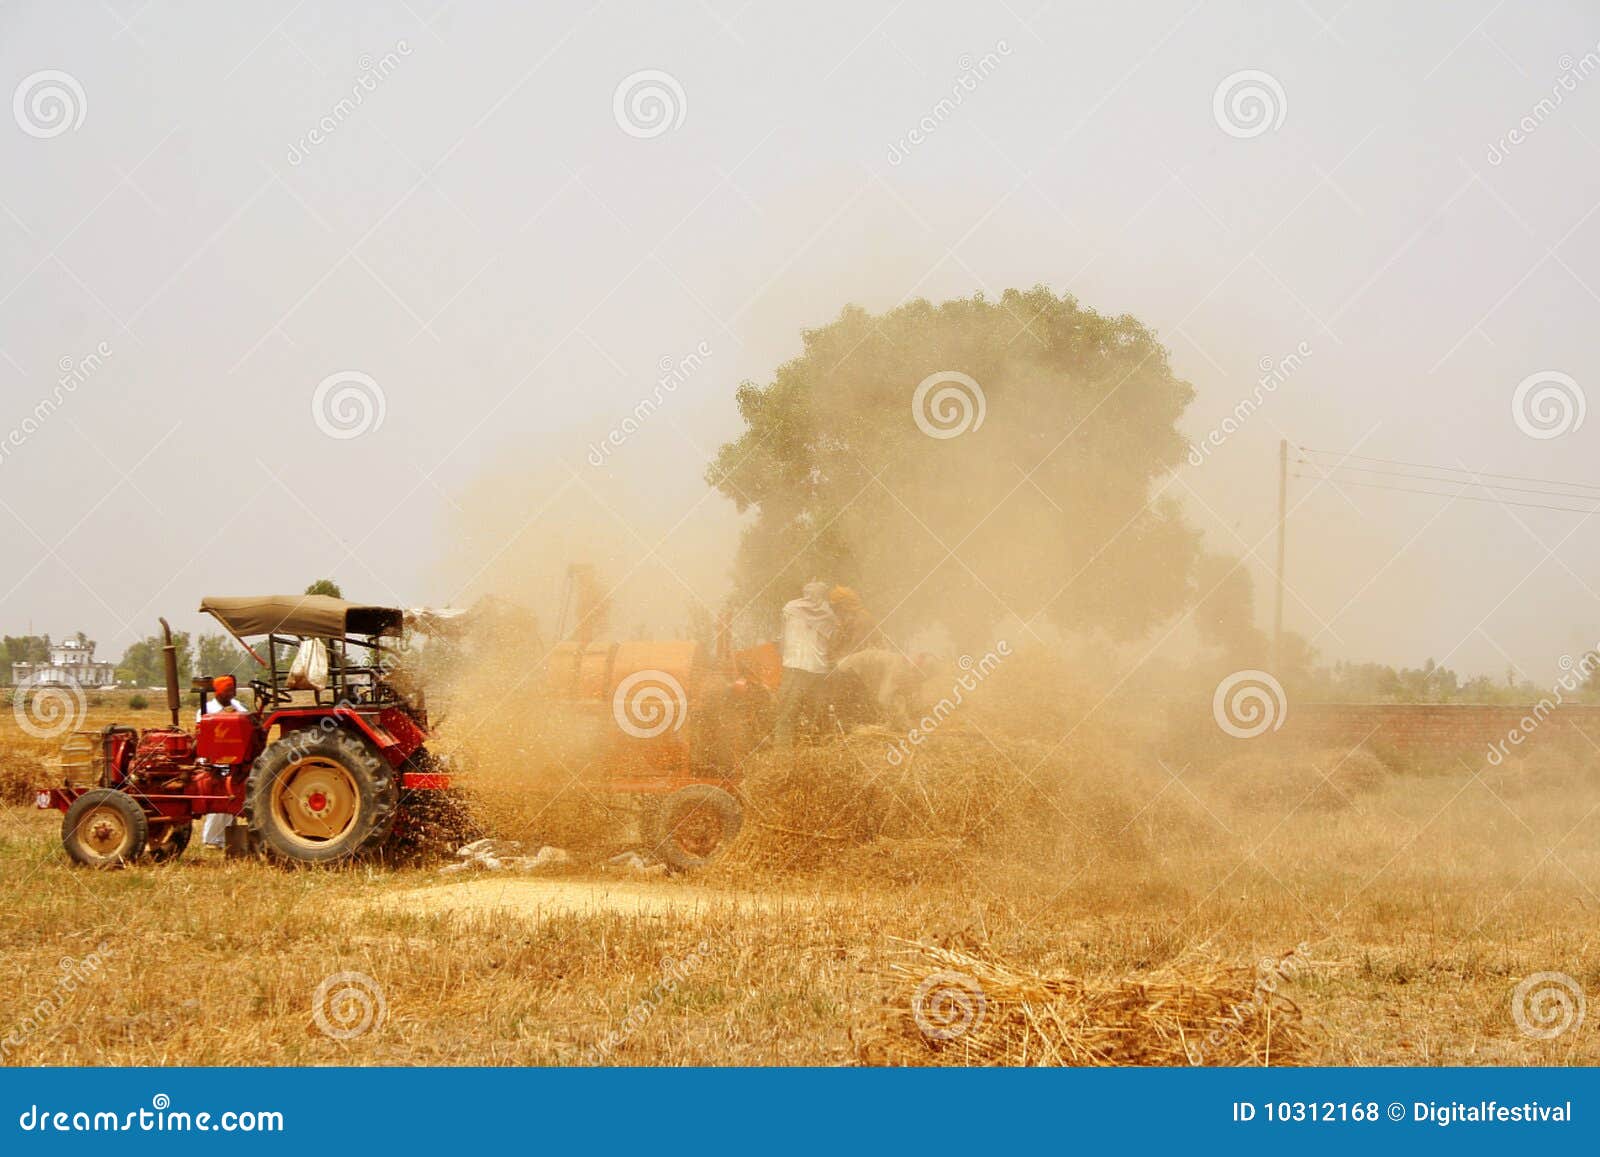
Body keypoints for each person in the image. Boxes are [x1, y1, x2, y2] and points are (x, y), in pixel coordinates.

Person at [772, 581, 837, 745]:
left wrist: (783, 656)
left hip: (795, 667)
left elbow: (782, 638)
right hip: (819, 670)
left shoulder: (790, 609)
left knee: (787, 711)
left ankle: (782, 751)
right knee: (815, 712)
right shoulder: (828, 614)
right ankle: (814, 747)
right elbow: (833, 642)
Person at [197, 675, 250, 850]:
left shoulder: (238, 707)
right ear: (218, 692)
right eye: (228, 690)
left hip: (236, 758)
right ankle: (212, 839)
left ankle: (226, 838)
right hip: (216, 759)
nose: (231, 693)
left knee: (232, 798)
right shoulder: (207, 709)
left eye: (233, 690)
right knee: (220, 798)